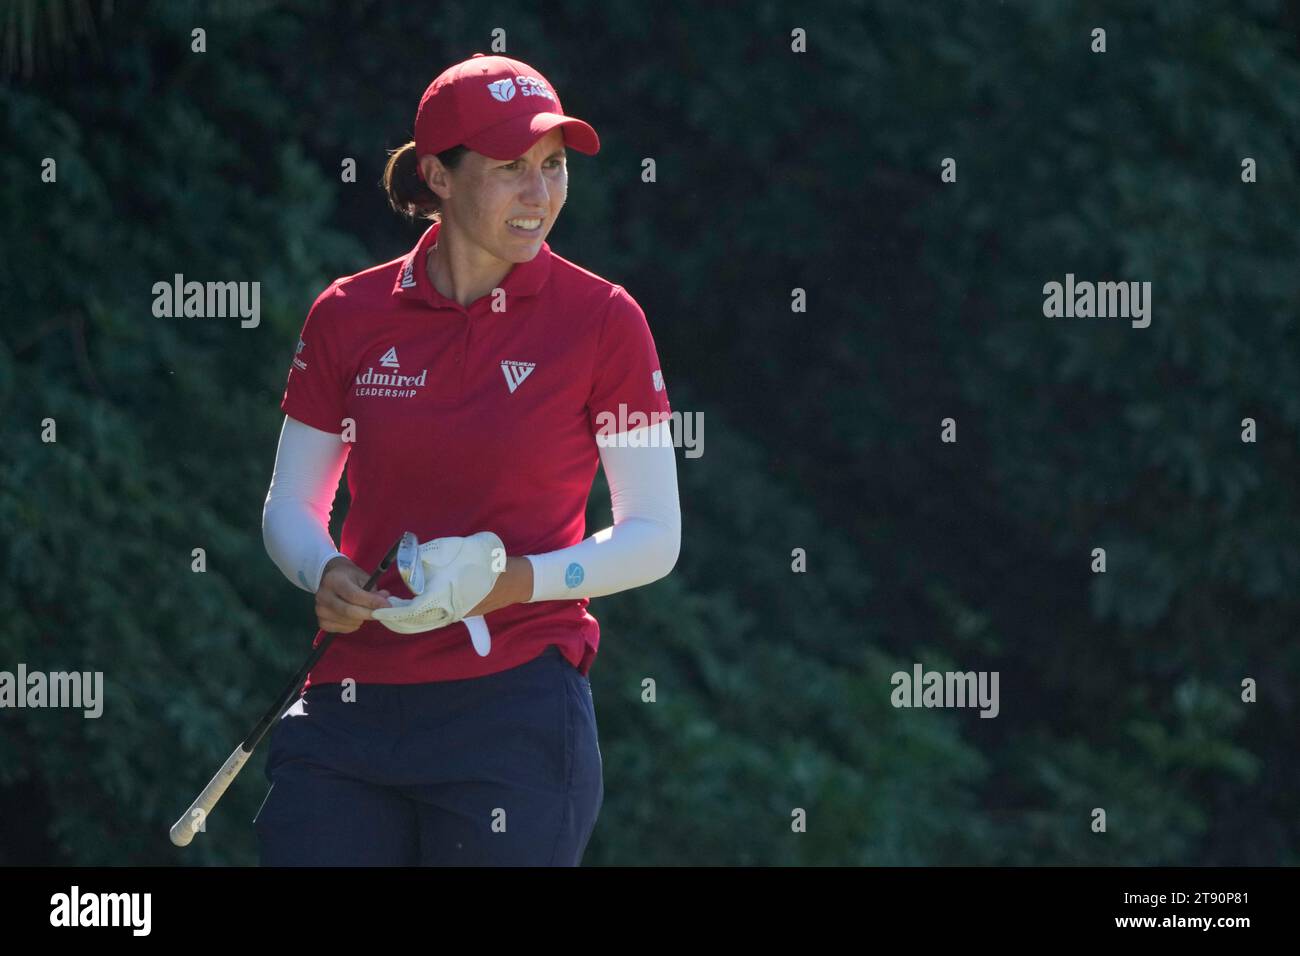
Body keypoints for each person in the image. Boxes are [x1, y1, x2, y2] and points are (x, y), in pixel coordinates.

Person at [254, 52, 681, 866]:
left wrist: (512, 581)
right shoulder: (347, 314)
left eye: (553, 167)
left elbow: (654, 535)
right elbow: (290, 507)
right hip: (350, 701)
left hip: (514, 710)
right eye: (512, 168)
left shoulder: (605, 321)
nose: (540, 194)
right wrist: (327, 573)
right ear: (437, 177)